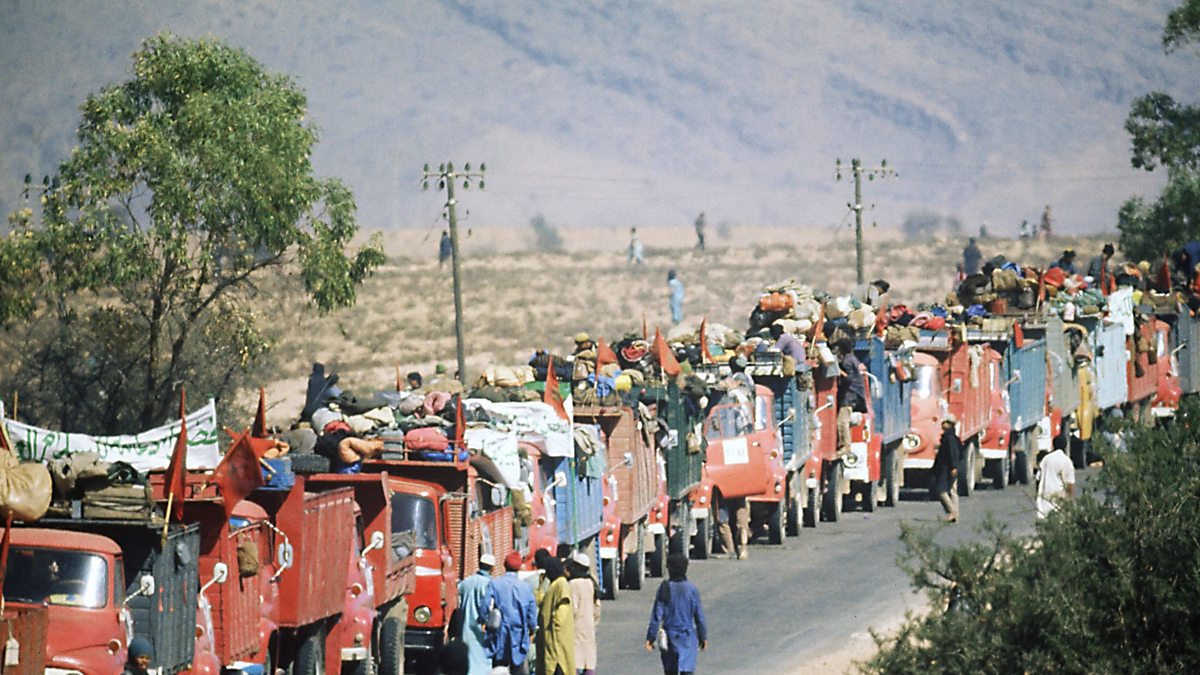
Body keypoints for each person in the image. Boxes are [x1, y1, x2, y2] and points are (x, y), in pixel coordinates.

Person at [645, 552, 708, 675]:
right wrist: (703, 636)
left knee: (670, 670)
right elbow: (699, 616)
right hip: (688, 637)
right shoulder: (691, 589)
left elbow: (656, 616)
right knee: (687, 669)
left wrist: (651, 637)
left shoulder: (665, 588)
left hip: (669, 637)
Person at [490, 551, 538, 675]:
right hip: (519, 635)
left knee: (499, 668)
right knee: (518, 668)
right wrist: (532, 628)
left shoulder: (495, 584)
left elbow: (485, 606)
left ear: (504, 565)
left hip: (499, 635)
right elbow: (532, 613)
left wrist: (483, 621)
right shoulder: (526, 587)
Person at [456, 553, 496, 675]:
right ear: (492, 568)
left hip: (465, 626)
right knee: (483, 659)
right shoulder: (489, 584)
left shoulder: (466, 582)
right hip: (482, 628)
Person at [536, 555, 575, 675]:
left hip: (557, 642)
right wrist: (541, 586)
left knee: (558, 668)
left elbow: (562, 611)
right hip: (549, 640)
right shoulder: (553, 585)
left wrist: (555, 624)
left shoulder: (561, 584)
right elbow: (541, 602)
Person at [567, 551, 600, 675]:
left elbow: (572, 609)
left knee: (575, 661)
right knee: (589, 661)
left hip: (576, 628)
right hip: (589, 627)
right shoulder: (591, 583)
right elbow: (597, 608)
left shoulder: (573, 584)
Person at [836, 338, 867, 460]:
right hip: (855, 394)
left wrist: (839, 372)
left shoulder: (847, 361)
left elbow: (848, 379)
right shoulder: (853, 358)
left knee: (842, 422)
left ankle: (846, 446)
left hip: (850, 394)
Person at [1037, 434, 1076, 519]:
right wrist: (1070, 501)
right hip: (1059, 498)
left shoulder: (1046, 459)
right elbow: (1070, 484)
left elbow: (1038, 479)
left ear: (1053, 444)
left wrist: (1038, 494)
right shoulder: (1067, 461)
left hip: (1045, 498)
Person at [932, 416, 963, 523]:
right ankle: (955, 515)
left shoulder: (949, 438)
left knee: (941, 491)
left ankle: (952, 511)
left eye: (945, 422)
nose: (942, 424)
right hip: (952, 467)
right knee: (953, 491)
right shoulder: (953, 437)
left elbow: (953, 453)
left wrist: (954, 466)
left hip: (947, 468)